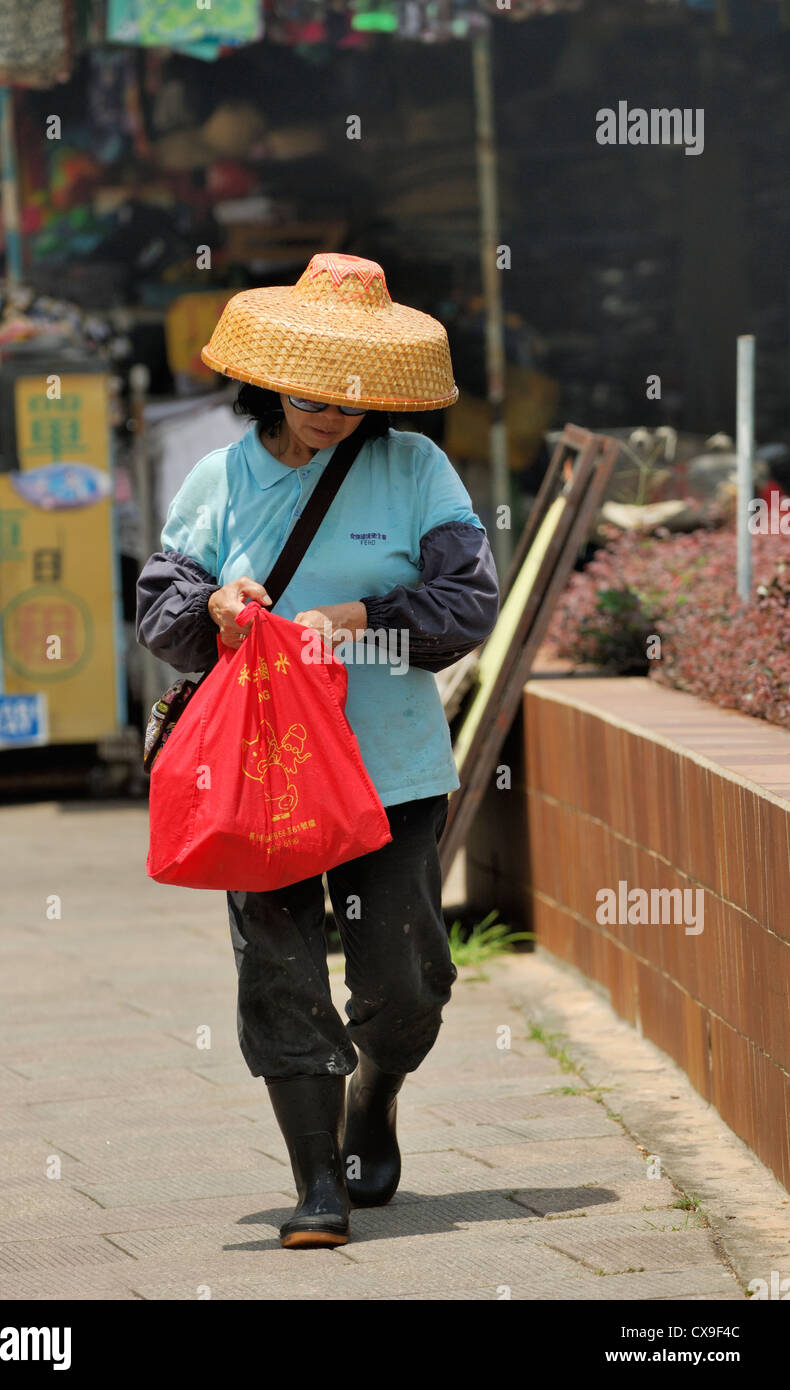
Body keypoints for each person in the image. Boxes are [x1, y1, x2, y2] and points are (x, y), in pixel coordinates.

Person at [136, 251, 499, 1248]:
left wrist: (362, 615)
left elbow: (471, 601)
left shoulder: (416, 469)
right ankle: (316, 1184)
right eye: (310, 391)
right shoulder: (220, 475)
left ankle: (374, 1095)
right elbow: (160, 602)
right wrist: (216, 604)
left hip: (391, 770)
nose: (329, 410)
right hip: (257, 775)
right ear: (271, 376)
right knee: (278, 967)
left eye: (349, 395)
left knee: (407, 976)